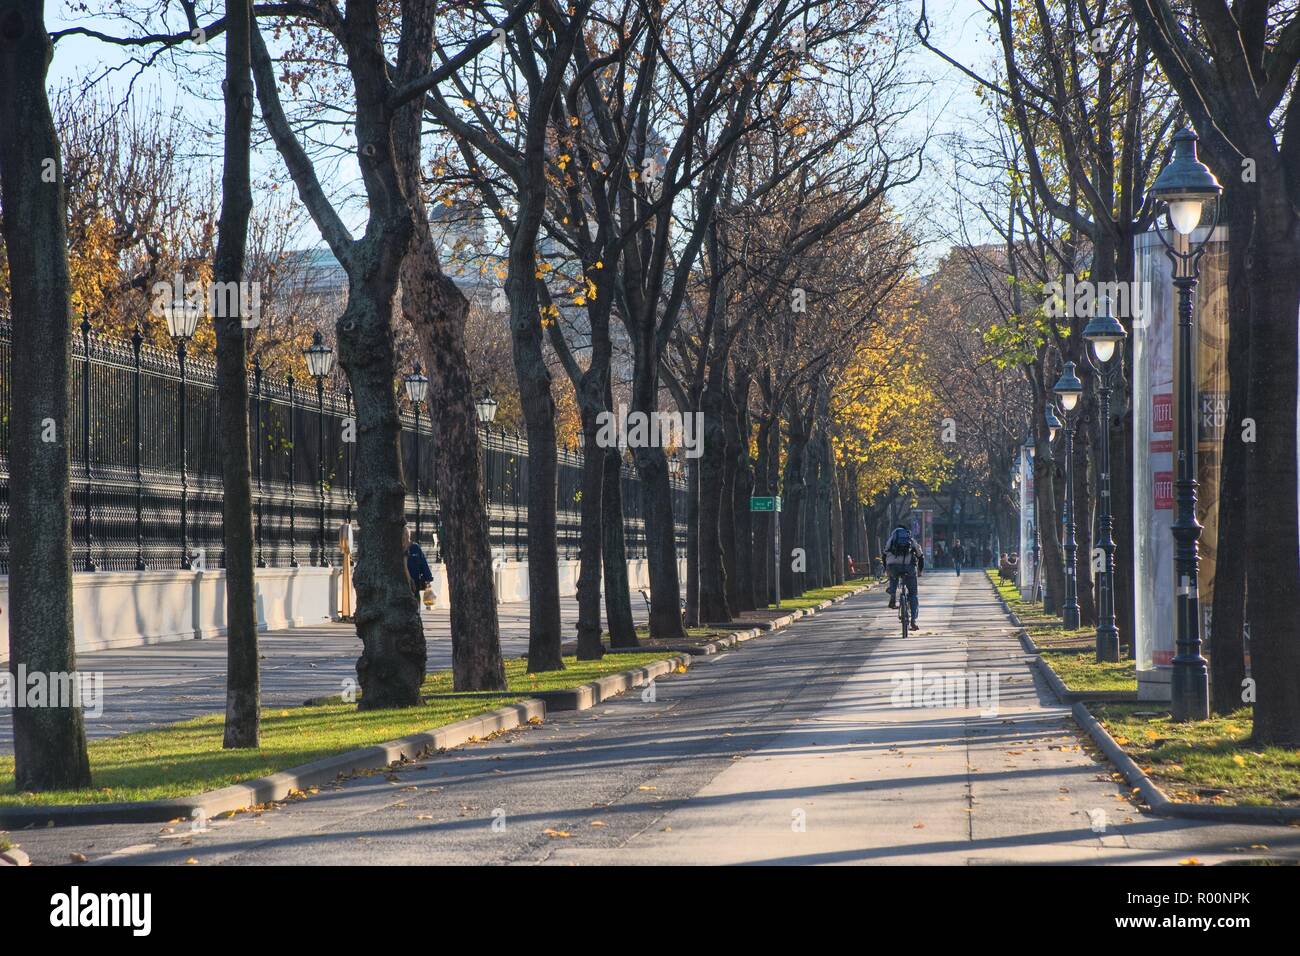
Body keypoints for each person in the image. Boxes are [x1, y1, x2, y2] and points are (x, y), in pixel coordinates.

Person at [881, 524, 924, 631]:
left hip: (893, 566)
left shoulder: (892, 539)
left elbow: (884, 554)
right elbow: (920, 555)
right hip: (908, 566)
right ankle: (913, 621)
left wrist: (886, 569)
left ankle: (892, 594)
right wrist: (920, 570)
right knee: (913, 594)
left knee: (893, 576)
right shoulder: (910, 539)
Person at [403, 527, 433, 599]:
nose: (405, 536)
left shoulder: (415, 547)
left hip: (415, 584)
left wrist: (428, 578)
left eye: (407, 534)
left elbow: (423, 563)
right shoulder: (397, 549)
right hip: (401, 584)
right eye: (404, 534)